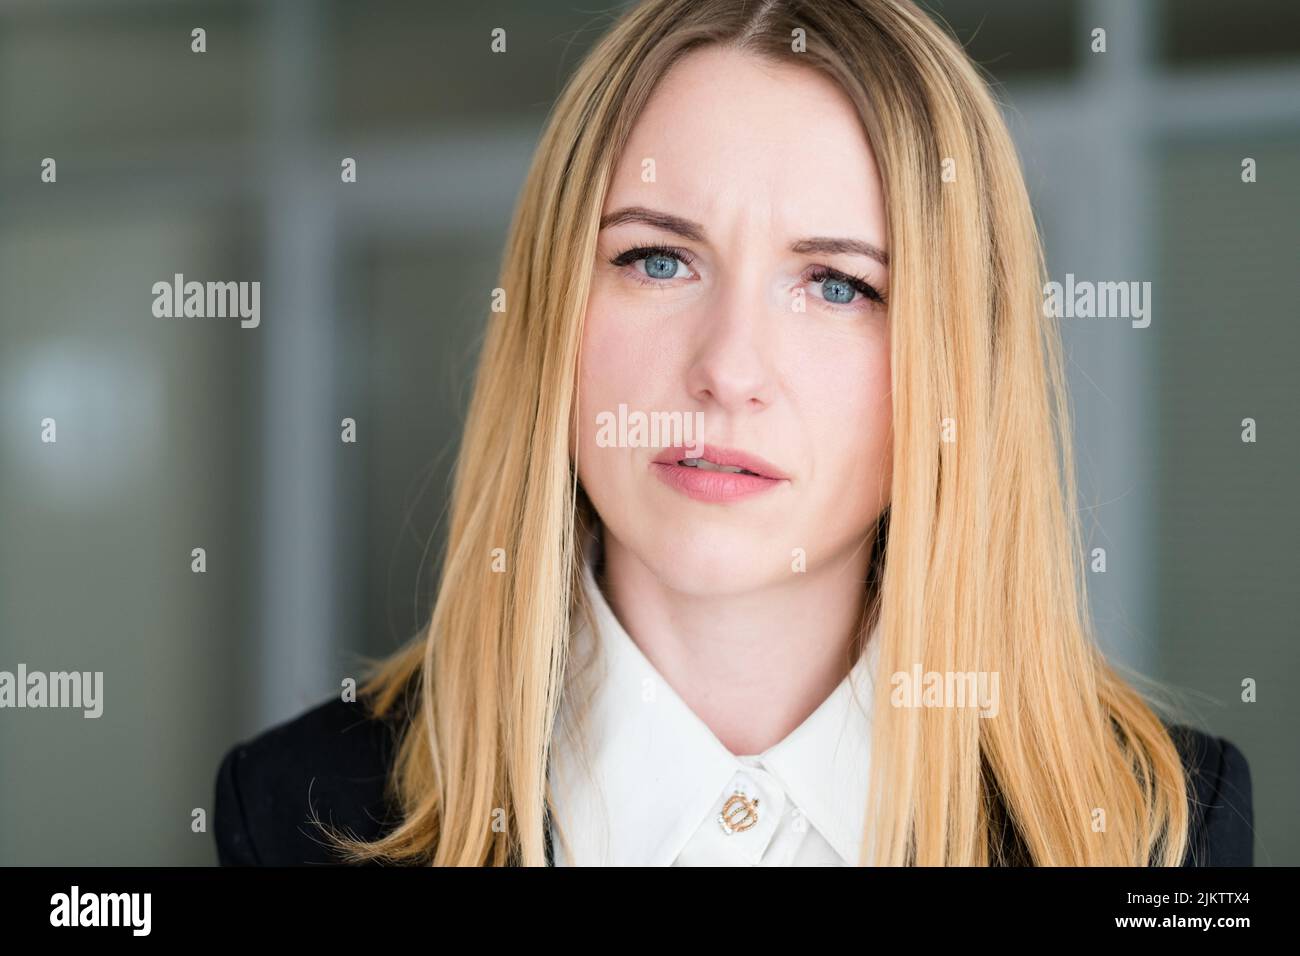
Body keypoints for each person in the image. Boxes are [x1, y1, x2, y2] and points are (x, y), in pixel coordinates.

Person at [214, 0, 1253, 867]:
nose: (728, 368)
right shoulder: (299, 807)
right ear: (550, 310)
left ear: (955, 367)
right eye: (658, 260)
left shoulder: (1163, 825)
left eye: (838, 283)